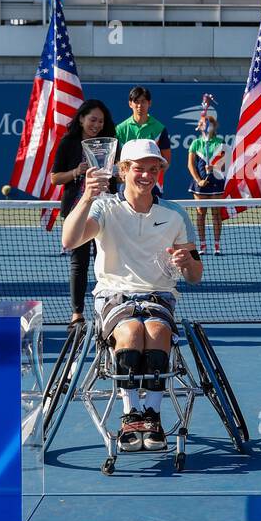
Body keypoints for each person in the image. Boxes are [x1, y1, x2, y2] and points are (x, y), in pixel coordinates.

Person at [61, 138, 202, 452]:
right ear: (123, 171)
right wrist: (86, 196)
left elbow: (194, 276)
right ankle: (130, 415)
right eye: (139, 168)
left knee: (155, 330)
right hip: (114, 295)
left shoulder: (176, 214)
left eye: (153, 168)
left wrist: (187, 261)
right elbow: (70, 241)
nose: (146, 175)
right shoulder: (104, 206)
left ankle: (151, 414)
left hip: (159, 296)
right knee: (131, 332)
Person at [50, 99, 118, 326]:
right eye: (92, 120)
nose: (96, 125)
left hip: (105, 212)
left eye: (101, 121)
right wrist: (74, 172)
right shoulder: (68, 143)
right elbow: (55, 177)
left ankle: (106, 310)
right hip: (76, 212)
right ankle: (77, 314)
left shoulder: (109, 145)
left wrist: (114, 177)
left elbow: (119, 173)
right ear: (81, 119)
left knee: (106, 260)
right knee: (79, 263)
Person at [115, 85, 172, 194]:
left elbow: (167, 160)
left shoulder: (160, 128)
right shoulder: (120, 129)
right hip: (126, 184)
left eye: (143, 101)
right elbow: (117, 160)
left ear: (149, 103)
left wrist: (150, 176)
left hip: (152, 185)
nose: (140, 105)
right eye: (136, 102)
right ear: (130, 104)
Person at [187, 112, 226, 255]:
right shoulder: (196, 143)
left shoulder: (220, 143)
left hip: (216, 184)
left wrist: (214, 167)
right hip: (200, 185)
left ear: (214, 126)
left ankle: (217, 244)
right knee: (200, 214)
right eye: (202, 123)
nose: (205, 125)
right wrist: (198, 180)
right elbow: (190, 165)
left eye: (208, 123)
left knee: (216, 215)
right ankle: (203, 244)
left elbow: (224, 165)